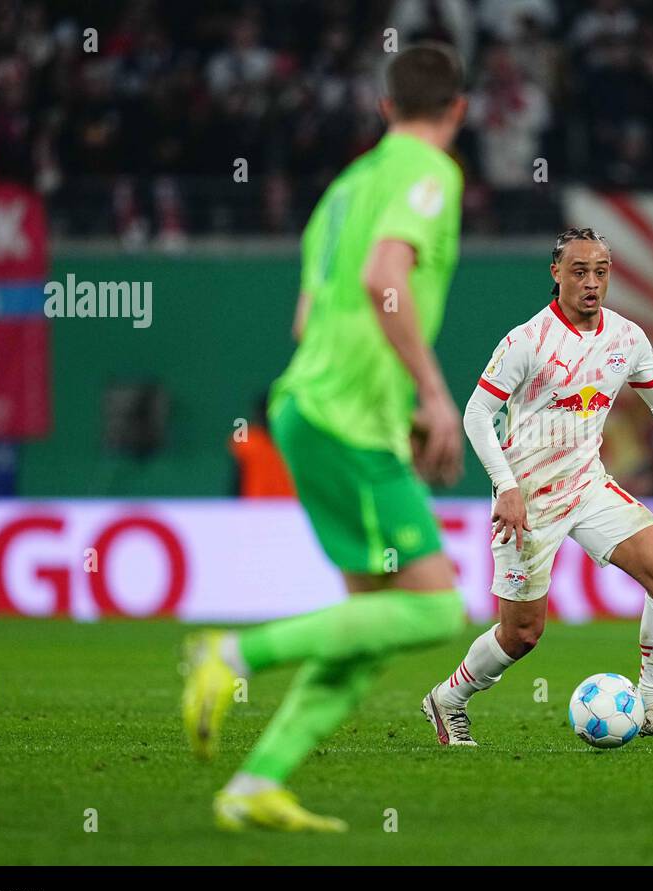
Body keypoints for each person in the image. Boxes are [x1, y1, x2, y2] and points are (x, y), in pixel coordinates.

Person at [181, 42, 470, 833]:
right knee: (439, 610)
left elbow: (310, 319)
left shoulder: (343, 189)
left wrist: (394, 399)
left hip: (309, 404)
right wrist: (435, 396)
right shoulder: (432, 174)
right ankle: (231, 654)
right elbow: (385, 277)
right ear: (459, 110)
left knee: (368, 632)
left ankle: (256, 783)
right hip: (348, 415)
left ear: (383, 108)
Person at [421, 227, 653, 747]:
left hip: (588, 485)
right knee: (522, 634)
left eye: (600, 272)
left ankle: (649, 706)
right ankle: (448, 698)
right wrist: (504, 486)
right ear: (556, 274)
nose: (591, 283)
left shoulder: (627, 338)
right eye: (579, 271)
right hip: (527, 499)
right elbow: (476, 414)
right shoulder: (526, 341)